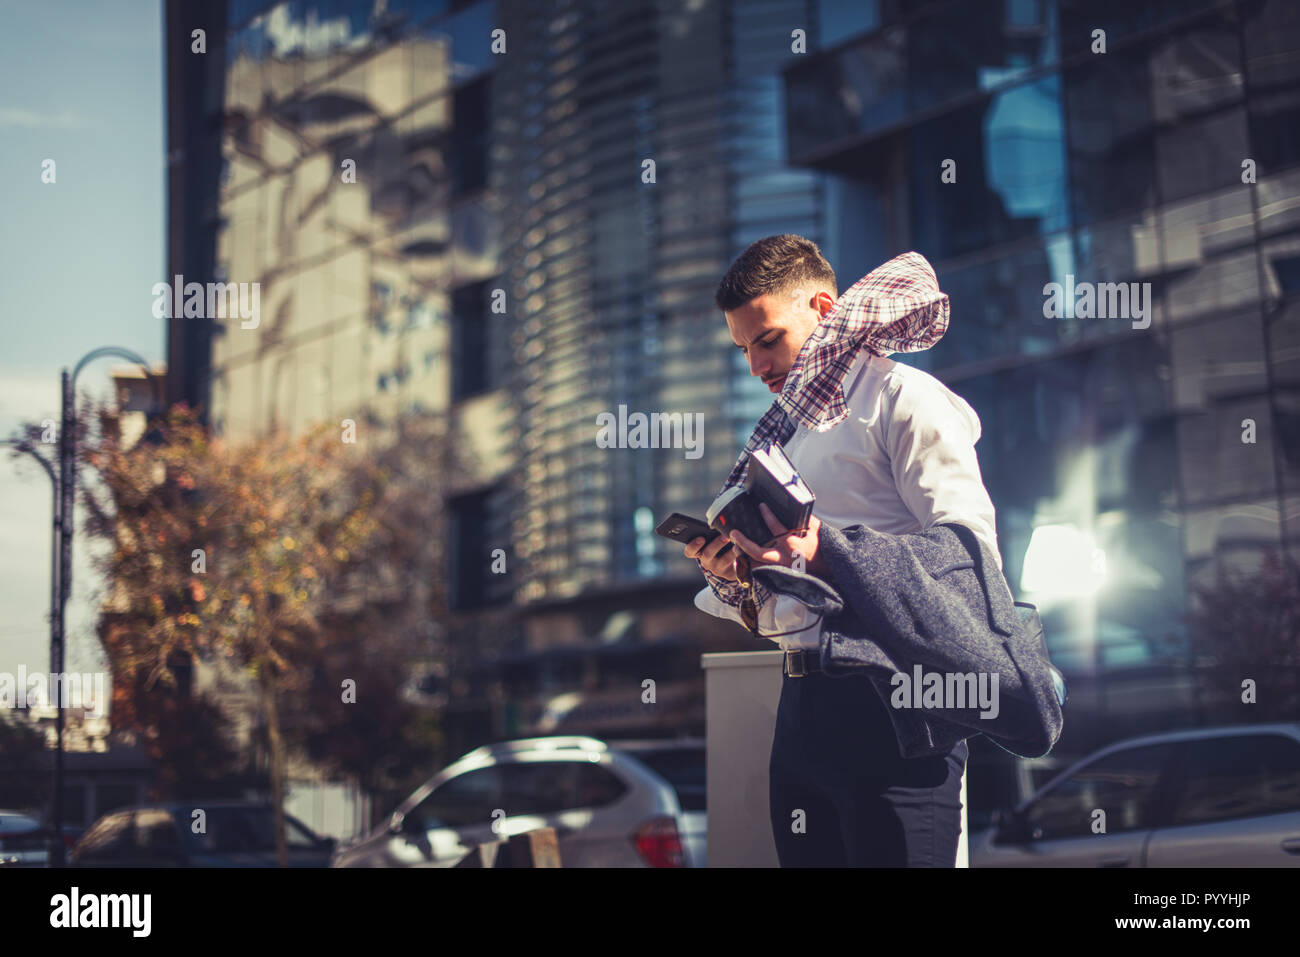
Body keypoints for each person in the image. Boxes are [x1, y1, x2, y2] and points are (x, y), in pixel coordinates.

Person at [684, 234, 1001, 867]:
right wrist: (740, 578)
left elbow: (970, 561)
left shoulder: (907, 400)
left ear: (824, 309)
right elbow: (798, 589)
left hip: (897, 705)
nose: (755, 366)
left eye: (767, 339)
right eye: (743, 348)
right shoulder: (790, 437)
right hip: (802, 708)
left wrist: (827, 552)